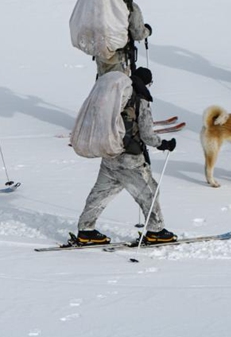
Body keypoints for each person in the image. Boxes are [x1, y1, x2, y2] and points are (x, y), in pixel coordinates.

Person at [76, 67, 177, 245]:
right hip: (130, 160)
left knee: (99, 194)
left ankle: (86, 231)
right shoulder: (140, 99)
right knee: (150, 193)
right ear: (147, 83)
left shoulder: (117, 96)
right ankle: (156, 231)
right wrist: (163, 144)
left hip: (110, 154)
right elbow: (146, 134)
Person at [96, 0, 152, 77]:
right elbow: (138, 33)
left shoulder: (102, 4)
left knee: (103, 84)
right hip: (119, 57)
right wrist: (148, 31)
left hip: (101, 54)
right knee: (119, 87)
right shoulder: (130, 7)